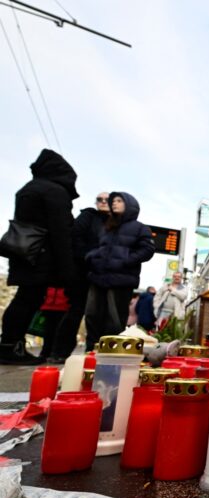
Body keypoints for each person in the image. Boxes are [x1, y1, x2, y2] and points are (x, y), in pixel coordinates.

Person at [0, 149, 77, 365]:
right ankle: (11, 347)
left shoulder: (28, 189)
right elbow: (60, 232)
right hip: (42, 255)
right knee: (28, 301)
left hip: (23, 251)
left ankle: (9, 344)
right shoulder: (55, 192)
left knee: (23, 299)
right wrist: (67, 270)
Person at [84, 192, 155, 344]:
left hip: (121, 280)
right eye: (113, 201)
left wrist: (126, 260)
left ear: (129, 204)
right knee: (92, 316)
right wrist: (91, 257)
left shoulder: (140, 228)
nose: (114, 203)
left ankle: (111, 355)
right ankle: (90, 353)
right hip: (98, 278)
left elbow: (147, 250)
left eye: (118, 200)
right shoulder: (107, 227)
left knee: (114, 320)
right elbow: (98, 247)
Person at [47, 192, 111, 360]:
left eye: (107, 200)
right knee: (76, 311)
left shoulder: (116, 223)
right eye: (100, 199)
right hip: (83, 271)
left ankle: (93, 352)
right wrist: (89, 257)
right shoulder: (87, 216)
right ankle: (60, 352)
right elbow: (75, 239)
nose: (103, 202)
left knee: (98, 314)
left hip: (102, 274)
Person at [38, 287, 70, 361]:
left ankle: (56, 353)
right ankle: (45, 353)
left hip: (63, 307)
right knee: (48, 332)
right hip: (47, 307)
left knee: (60, 333)